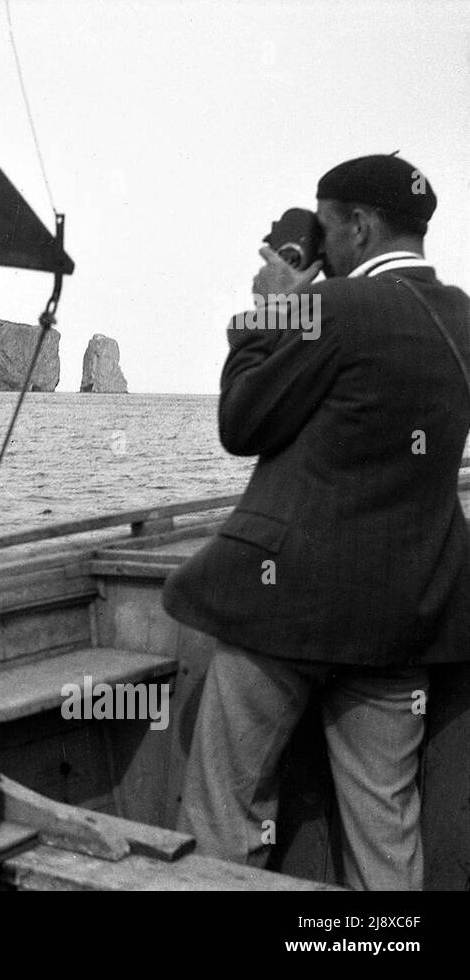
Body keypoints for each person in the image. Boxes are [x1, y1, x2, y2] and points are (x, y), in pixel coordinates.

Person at [162, 154, 470, 890]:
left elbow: (242, 421)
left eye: (328, 233)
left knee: (224, 811)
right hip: (408, 616)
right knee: (384, 827)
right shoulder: (461, 315)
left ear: (359, 227)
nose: (324, 252)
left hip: (287, 608)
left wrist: (272, 311)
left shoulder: (334, 310)